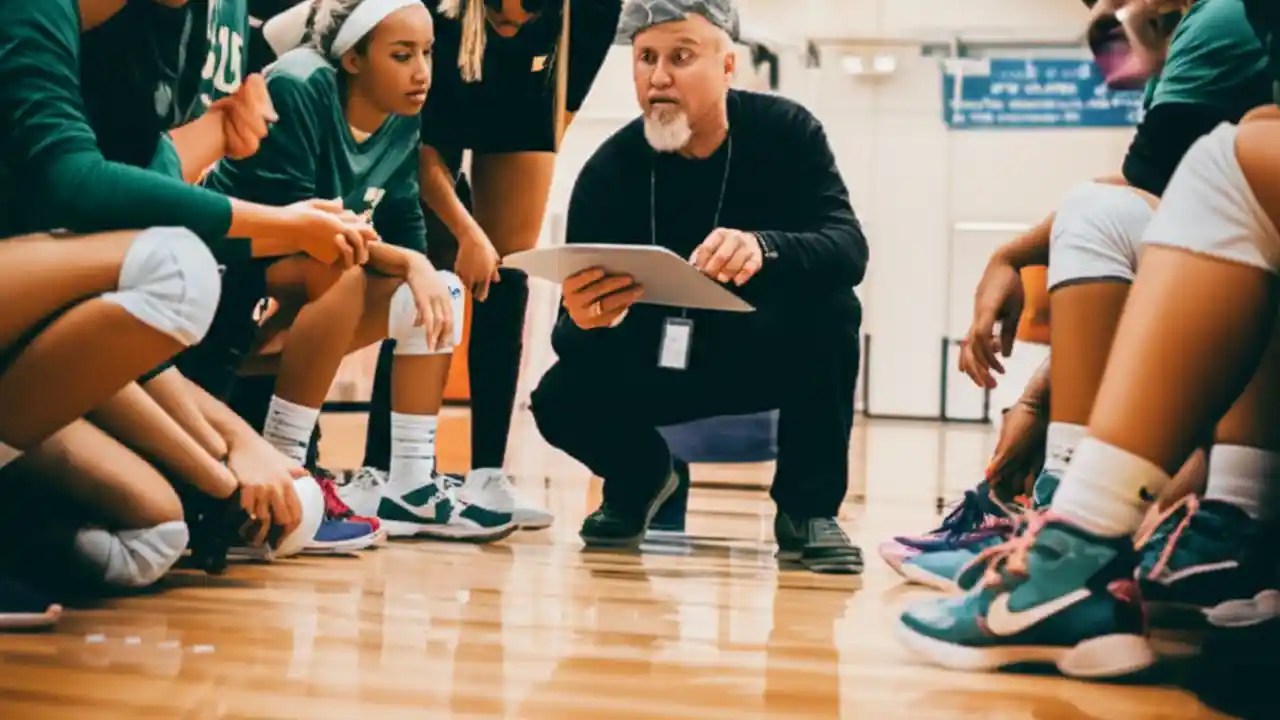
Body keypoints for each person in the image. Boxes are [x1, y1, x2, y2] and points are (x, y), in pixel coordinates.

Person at [897, 0, 1280, 680]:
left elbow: (1156, 185)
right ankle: (1092, 521)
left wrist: (1037, 391)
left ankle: (1083, 539)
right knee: (1193, 171)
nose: (1103, 17)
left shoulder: (1217, 19)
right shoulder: (1214, 24)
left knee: (1199, 180)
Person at [527, 0, 868, 574]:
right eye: (645, 58)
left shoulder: (787, 133)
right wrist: (585, 320)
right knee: (558, 399)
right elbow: (571, 340)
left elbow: (848, 247)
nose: (658, 76)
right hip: (654, 363)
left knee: (835, 309)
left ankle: (807, 511)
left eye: (681, 57)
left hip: (763, 352)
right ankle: (640, 479)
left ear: (728, 66)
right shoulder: (609, 171)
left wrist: (765, 247)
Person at [203, 0, 518, 542]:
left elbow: (405, 227)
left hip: (300, 282)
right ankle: (288, 471)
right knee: (342, 271)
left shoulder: (402, 119)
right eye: (402, 55)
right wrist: (410, 260)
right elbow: (304, 229)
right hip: (226, 274)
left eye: (428, 53)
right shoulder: (298, 87)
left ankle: (412, 486)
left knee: (438, 292)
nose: (422, 72)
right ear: (352, 59)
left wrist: (419, 265)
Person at [311, 0, 619, 530]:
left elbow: (554, 122)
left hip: (520, 96)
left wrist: (487, 239)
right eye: (503, 10)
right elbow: (420, 147)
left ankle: (486, 476)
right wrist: (466, 230)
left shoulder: (591, 10)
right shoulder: (435, 17)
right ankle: (385, 471)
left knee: (507, 268)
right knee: (427, 265)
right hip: (435, 112)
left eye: (531, 17)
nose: (515, 23)